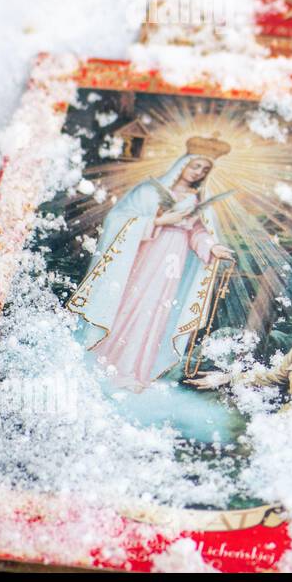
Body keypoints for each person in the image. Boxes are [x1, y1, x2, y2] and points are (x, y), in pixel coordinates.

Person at [68, 137, 235, 392]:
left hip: (172, 265)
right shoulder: (148, 191)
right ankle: (102, 363)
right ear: (183, 164)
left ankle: (134, 372)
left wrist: (212, 247)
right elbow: (118, 219)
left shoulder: (195, 200)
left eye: (204, 170)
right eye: (195, 166)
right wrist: (158, 221)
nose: (198, 172)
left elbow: (198, 231)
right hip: (144, 257)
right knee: (130, 304)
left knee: (156, 312)